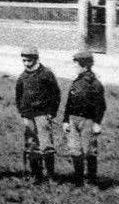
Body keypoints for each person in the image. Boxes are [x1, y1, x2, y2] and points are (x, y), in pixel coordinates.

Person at [14, 46, 60, 184]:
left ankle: (50, 176)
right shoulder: (22, 77)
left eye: (29, 60)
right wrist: (23, 113)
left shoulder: (46, 74)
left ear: (36, 59)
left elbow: (56, 94)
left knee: (46, 145)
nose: (26, 63)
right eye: (24, 61)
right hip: (28, 116)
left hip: (43, 114)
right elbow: (18, 96)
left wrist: (51, 112)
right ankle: (37, 175)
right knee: (31, 145)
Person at [63, 49, 106, 187]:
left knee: (89, 151)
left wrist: (97, 122)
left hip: (88, 120)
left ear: (85, 66)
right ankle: (78, 180)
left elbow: (101, 105)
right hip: (73, 119)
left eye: (76, 65)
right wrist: (65, 120)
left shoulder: (95, 84)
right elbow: (69, 103)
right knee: (75, 149)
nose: (74, 67)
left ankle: (92, 180)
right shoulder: (76, 82)